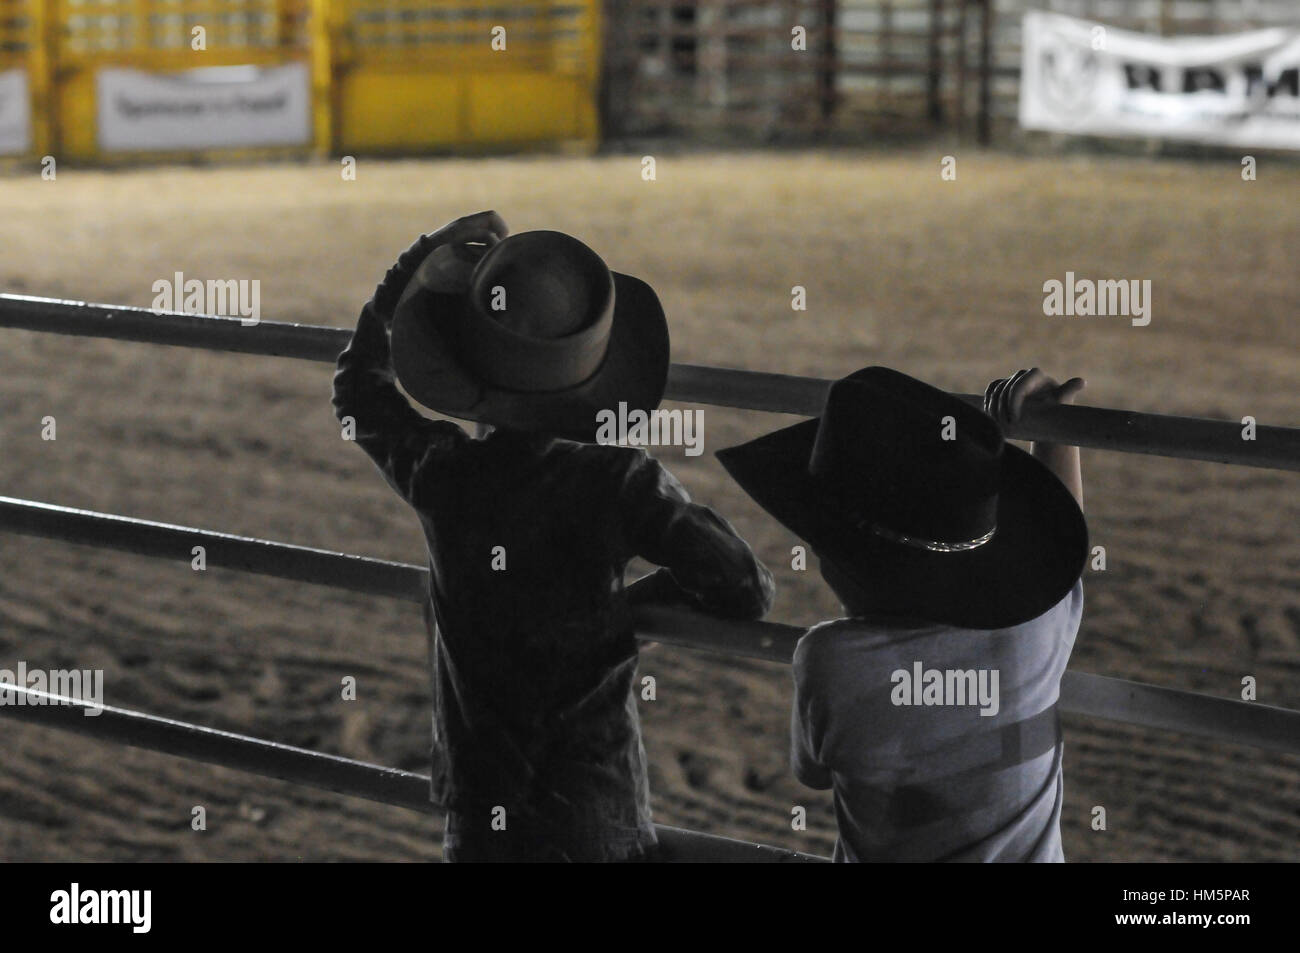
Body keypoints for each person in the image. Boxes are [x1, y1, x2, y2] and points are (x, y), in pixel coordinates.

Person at [333, 211, 774, 862]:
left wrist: (419, 261)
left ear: (463, 363)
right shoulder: (618, 479)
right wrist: (621, 616)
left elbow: (357, 388)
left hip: (480, 812)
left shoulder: (443, 473)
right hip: (595, 807)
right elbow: (742, 584)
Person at [716, 366, 1088, 862]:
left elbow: (811, 773)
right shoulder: (1033, 625)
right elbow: (1056, 561)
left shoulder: (830, 661)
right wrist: (1053, 432)